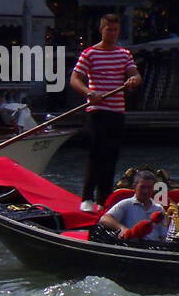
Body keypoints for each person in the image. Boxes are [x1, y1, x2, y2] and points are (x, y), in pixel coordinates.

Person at [69, 14, 142, 212]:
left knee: (111, 155)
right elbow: (75, 79)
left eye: (115, 30)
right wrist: (89, 93)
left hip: (117, 111)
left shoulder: (124, 54)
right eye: (109, 29)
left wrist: (133, 80)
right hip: (97, 110)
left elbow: (135, 74)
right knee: (97, 153)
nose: (112, 33)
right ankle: (86, 198)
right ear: (101, 29)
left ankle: (103, 200)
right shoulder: (89, 53)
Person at [98, 169, 167, 243]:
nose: (145, 191)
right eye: (142, 187)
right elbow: (104, 219)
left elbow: (163, 235)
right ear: (134, 187)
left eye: (149, 187)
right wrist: (122, 228)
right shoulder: (126, 204)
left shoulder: (159, 208)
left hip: (154, 246)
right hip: (132, 244)